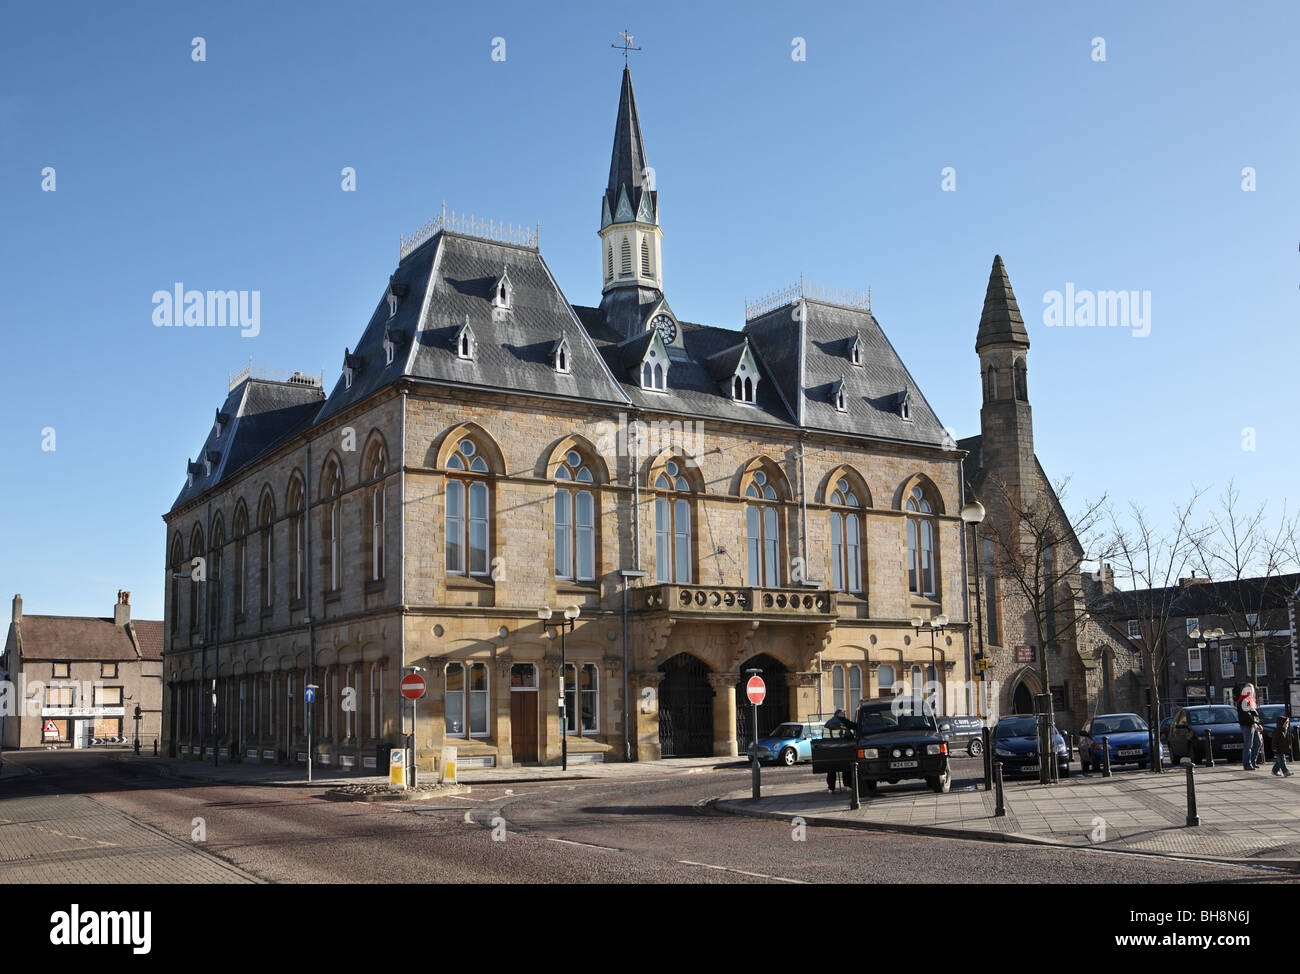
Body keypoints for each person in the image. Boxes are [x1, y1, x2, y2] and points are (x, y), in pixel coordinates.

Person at [824, 708, 859, 792]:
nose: (844, 714)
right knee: (846, 767)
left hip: (831, 747)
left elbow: (825, 735)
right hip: (844, 746)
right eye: (843, 713)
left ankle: (831, 787)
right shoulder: (843, 721)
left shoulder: (829, 722)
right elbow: (854, 726)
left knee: (831, 768)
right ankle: (847, 785)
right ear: (839, 714)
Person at [1236, 683, 1264, 771]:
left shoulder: (1251, 699)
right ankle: (1247, 764)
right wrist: (1253, 722)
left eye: (1251, 689)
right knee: (1248, 745)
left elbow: (1255, 713)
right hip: (1247, 725)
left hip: (1253, 724)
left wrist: (1258, 723)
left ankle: (1252, 761)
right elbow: (1246, 714)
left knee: (1257, 742)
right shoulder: (1243, 700)